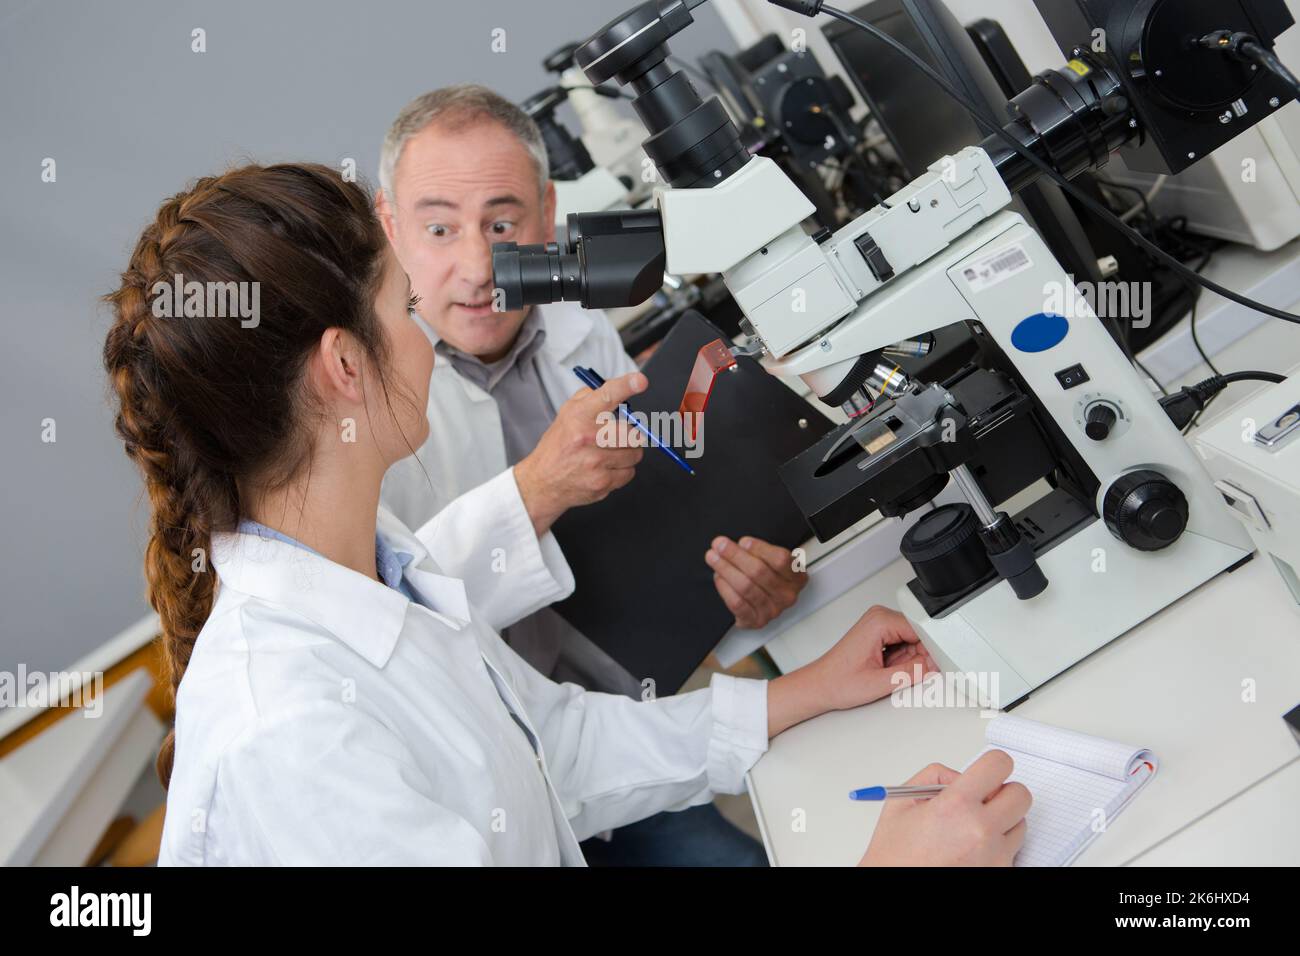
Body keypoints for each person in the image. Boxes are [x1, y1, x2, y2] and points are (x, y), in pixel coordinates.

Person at [104, 162, 1030, 866]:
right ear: (345, 368)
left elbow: (553, 750)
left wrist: (807, 691)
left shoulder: (380, 569)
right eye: (405, 305)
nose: (426, 332)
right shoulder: (292, 737)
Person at [375, 86, 807, 863]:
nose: (479, 267)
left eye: (503, 225)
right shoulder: (369, 404)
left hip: (618, 721)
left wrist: (748, 589)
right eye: (439, 229)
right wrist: (536, 490)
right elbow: (392, 620)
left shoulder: (575, 326)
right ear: (391, 228)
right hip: (485, 792)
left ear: (547, 214)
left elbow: (659, 523)